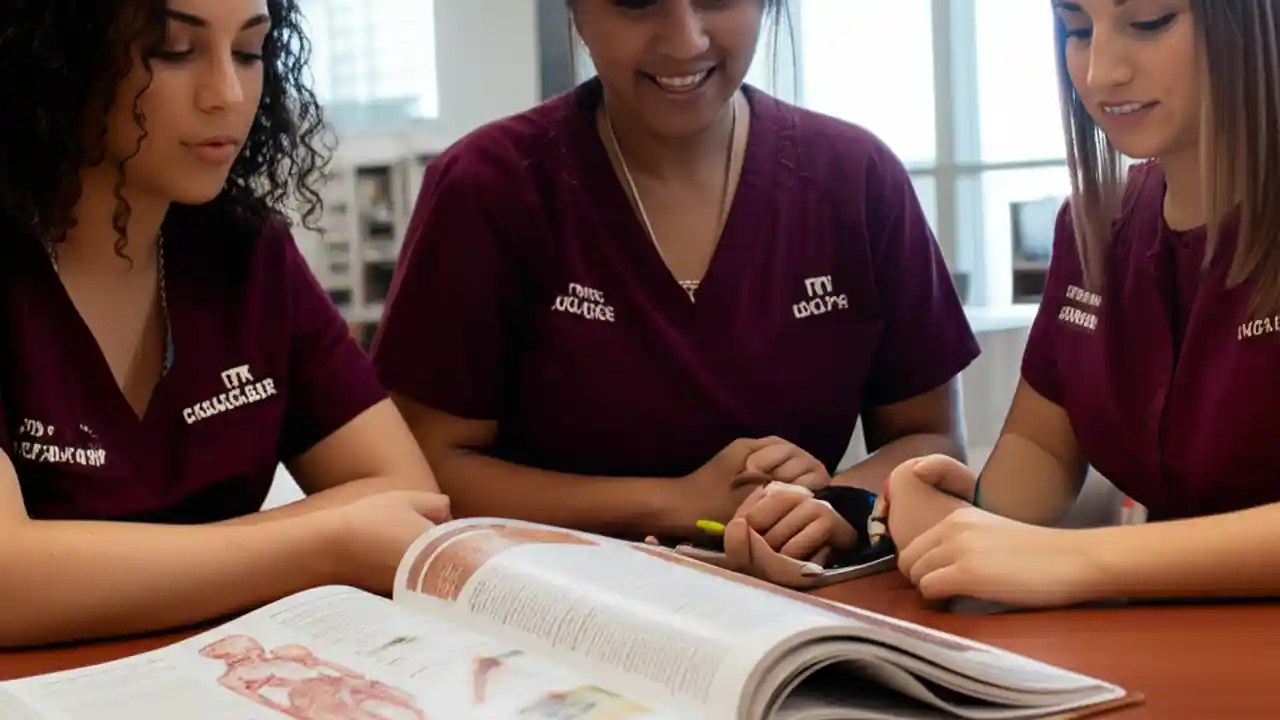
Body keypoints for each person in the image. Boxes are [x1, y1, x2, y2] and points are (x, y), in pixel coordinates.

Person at [371, 0, 979, 564]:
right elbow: (431, 468)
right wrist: (679, 503)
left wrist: (821, 506)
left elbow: (931, 439)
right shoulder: (489, 186)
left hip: (795, 616)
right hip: (548, 604)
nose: (686, 40)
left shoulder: (856, 177)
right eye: (637, 0)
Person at [0, 0, 450, 648]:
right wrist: (322, 544)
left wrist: (79, 569)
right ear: (55, 58)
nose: (228, 95)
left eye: (248, 52)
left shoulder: (245, 251)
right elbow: (8, 583)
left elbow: (408, 496)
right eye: (174, 51)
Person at [867, 0, 1280, 608]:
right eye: (1077, 30)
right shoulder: (1096, 227)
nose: (1099, 73)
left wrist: (1075, 561)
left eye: (1149, 23)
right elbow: (1042, 446)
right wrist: (963, 517)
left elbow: (1066, 559)